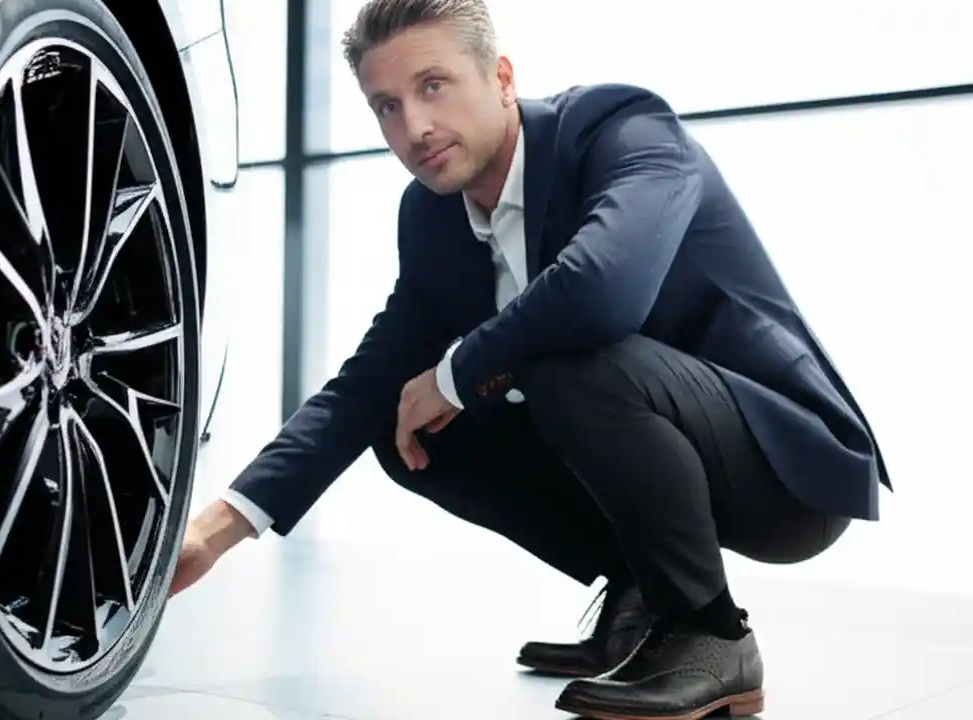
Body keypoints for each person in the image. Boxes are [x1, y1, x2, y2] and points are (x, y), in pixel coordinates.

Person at [170, 1, 891, 718]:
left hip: (786, 467)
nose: (413, 128)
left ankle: (709, 634)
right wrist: (215, 529)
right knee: (408, 428)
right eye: (385, 106)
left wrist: (454, 374)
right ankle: (642, 601)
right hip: (653, 433)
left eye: (433, 86)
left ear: (502, 77)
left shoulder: (622, 130)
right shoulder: (431, 214)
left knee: (557, 362)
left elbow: (601, 295)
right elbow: (367, 380)